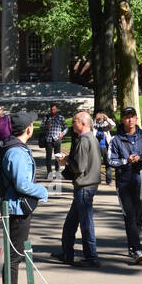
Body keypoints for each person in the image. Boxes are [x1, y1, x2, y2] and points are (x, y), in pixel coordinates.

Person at [0, 111, 49, 284]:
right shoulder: (17, 152)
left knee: (14, 254)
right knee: (14, 256)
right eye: (32, 124)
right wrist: (43, 191)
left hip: (16, 208)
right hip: (16, 210)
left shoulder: (15, 148)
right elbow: (22, 184)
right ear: (28, 129)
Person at [51, 110, 102, 266]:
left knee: (86, 223)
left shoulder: (83, 140)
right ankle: (67, 253)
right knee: (71, 223)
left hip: (85, 186)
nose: (72, 124)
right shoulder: (91, 138)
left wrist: (65, 160)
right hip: (87, 185)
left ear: (83, 123)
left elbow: (79, 167)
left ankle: (91, 257)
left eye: (74, 122)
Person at [108, 105, 142, 264]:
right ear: (122, 120)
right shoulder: (116, 139)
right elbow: (110, 160)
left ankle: (132, 246)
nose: (130, 120)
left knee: (138, 217)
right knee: (129, 216)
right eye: (127, 117)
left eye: (132, 117)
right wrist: (126, 161)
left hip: (141, 181)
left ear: (136, 118)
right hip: (124, 183)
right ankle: (137, 249)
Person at [40, 103, 67, 181]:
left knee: (57, 157)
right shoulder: (47, 117)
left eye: (54, 109)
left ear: (57, 109)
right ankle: (49, 174)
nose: (53, 111)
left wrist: (62, 133)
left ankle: (57, 173)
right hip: (48, 139)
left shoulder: (60, 118)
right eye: (51, 109)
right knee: (48, 157)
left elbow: (66, 127)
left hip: (57, 139)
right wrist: (46, 126)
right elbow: (41, 127)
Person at [93, 111, 116, 185]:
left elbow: (113, 125)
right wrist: (95, 120)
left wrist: (107, 119)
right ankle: (97, 180)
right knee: (97, 164)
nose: (99, 118)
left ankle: (109, 180)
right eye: (98, 116)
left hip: (105, 147)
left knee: (108, 164)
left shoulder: (106, 124)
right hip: (96, 147)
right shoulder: (94, 124)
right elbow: (90, 128)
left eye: (101, 116)